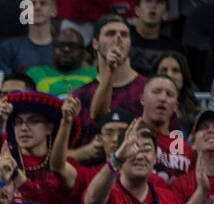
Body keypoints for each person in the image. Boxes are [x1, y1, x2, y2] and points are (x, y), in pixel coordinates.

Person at [74, 15, 146, 143]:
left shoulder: (148, 90)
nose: (118, 40)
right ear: (95, 43)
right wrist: (84, 153)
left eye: (124, 35)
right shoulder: (81, 95)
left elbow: (174, 135)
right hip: (91, 163)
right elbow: (62, 154)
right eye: (110, 34)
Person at [138, 74, 190, 181]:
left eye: (169, 94)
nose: (163, 98)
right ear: (142, 99)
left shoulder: (184, 148)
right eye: (156, 92)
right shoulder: (129, 138)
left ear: (175, 106)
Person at [27, 26, 96, 98]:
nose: (66, 49)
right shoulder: (35, 74)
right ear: (52, 50)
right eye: (61, 45)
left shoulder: (95, 74)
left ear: (83, 52)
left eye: (73, 46)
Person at [0, 0, 55, 76]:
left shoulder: (65, 48)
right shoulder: (8, 48)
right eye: (32, 3)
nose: (37, 7)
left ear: (54, 9)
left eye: (43, 3)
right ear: (23, 10)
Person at [128, 0, 180, 76]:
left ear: (166, 14)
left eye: (159, 2)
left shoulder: (174, 49)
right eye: (148, 1)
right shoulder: (121, 37)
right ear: (137, 10)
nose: (153, 6)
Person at [154, 52, 199, 129]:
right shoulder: (143, 111)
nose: (169, 75)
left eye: (175, 70)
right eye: (164, 70)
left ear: (184, 77)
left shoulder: (196, 115)